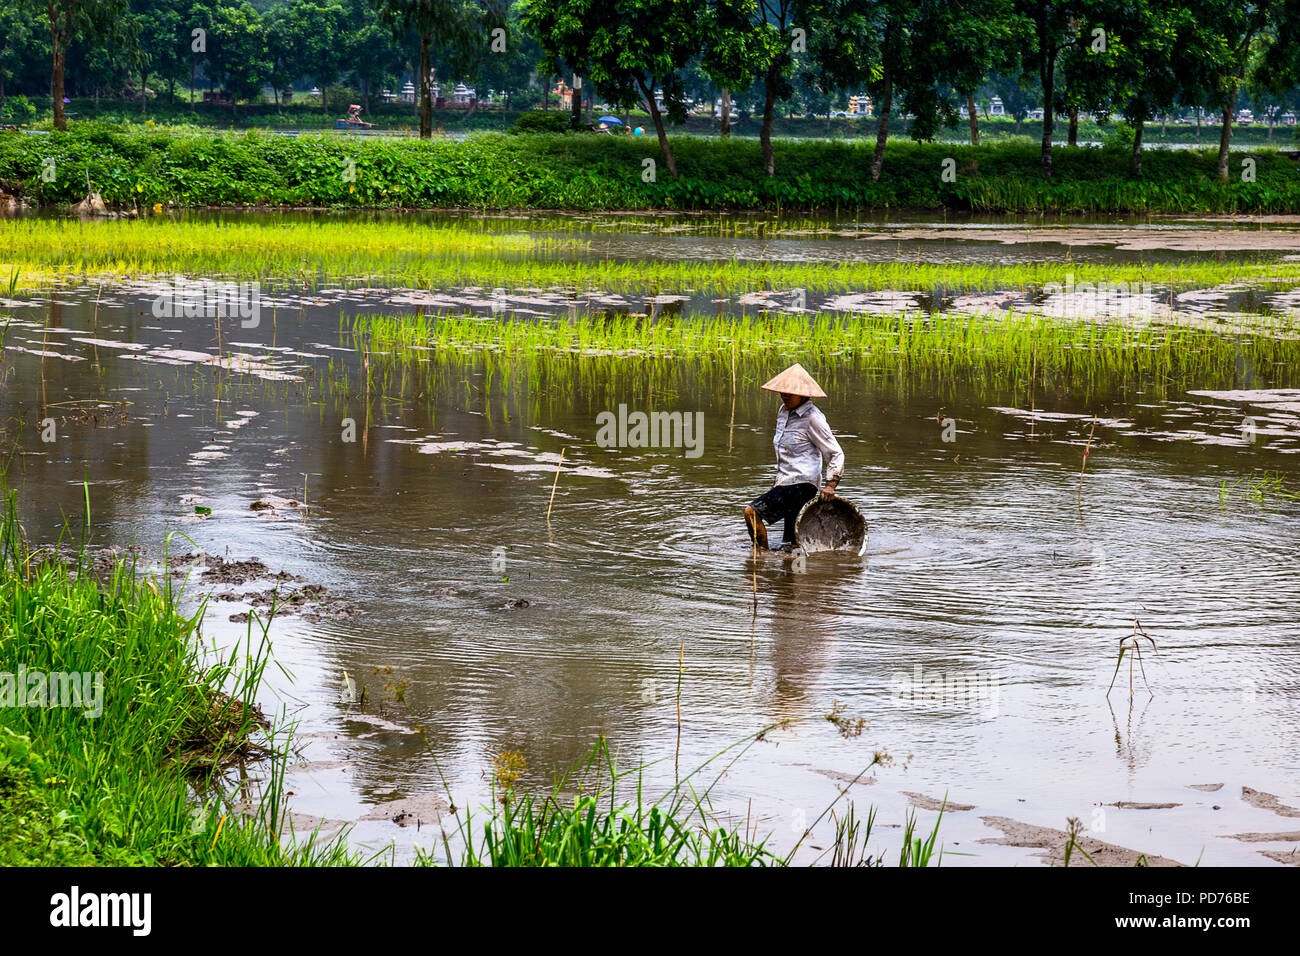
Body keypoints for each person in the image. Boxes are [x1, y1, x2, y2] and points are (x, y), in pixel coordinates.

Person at [744, 363, 845, 550]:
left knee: (752, 512)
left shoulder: (813, 418)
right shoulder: (783, 412)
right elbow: (785, 453)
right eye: (782, 391)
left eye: (790, 392)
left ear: (804, 394)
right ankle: (792, 573)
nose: (785, 395)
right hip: (787, 482)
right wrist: (778, 482)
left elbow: (835, 453)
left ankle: (760, 562)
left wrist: (831, 485)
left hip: (802, 484)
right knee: (791, 543)